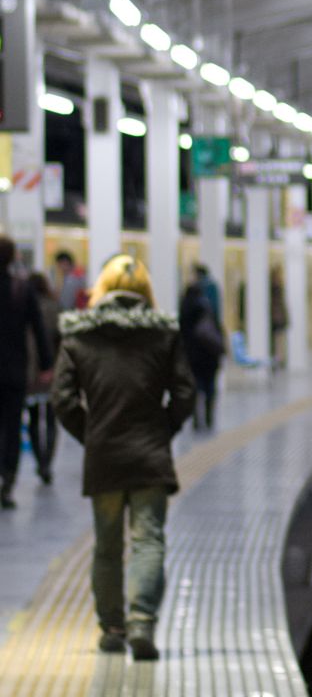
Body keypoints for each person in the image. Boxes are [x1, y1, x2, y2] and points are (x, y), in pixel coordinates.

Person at [52, 253, 195, 660]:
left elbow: (62, 399)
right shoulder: (164, 334)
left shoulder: (80, 334)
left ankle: (111, 628)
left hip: (106, 456)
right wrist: (163, 429)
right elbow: (185, 393)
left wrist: (92, 434)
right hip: (149, 453)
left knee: (107, 545)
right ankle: (141, 623)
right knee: (148, 540)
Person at [0, 237, 53, 509]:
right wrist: (46, 365)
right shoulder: (21, 289)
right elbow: (40, 330)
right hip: (14, 371)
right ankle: (7, 483)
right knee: (12, 427)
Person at [25, 272, 61, 485]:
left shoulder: (23, 307)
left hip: (30, 371)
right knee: (50, 418)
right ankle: (48, 460)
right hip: (52, 370)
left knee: (33, 418)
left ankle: (40, 460)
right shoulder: (54, 307)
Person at [179, 271, 225, 430]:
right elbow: (218, 329)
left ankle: (196, 421)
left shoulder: (185, 308)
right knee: (210, 386)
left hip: (192, 356)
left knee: (195, 387)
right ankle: (209, 417)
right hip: (210, 354)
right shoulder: (207, 307)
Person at [270, 264, 288, 369]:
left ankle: (280, 359)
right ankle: (277, 360)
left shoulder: (278, 287)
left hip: (280, 319)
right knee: (276, 341)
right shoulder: (274, 287)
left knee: (280, 341)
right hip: (276, 319)